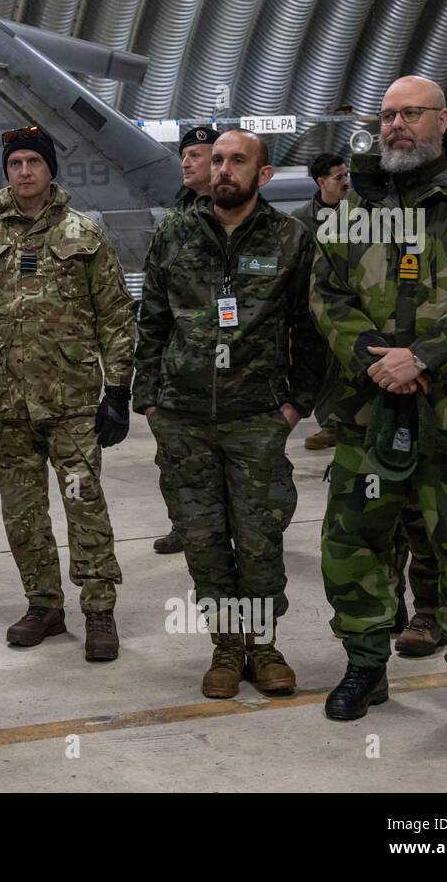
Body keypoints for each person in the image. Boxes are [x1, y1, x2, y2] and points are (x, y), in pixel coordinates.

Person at [313, 75, 447, 736]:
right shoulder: (357, 205)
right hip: (368, 412)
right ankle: (366, 666)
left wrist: (423, 357)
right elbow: (327, 294)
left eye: (410, 113)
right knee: (354, 548)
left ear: (443, 119)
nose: (396, 125)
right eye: (387, 115)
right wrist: (376, 358)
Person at [135, 127, 322, 699]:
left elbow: (309, 331)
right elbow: (151, 321)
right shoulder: (173, 234)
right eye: (217, 160)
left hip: (256, 418)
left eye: (237, 161)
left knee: (260, 539)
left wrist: (296, 405)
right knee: (204, 541)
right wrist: (148, 398)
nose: (223, 170)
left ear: (262, 176)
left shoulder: (291, 239)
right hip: (184, 417)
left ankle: (263, 647)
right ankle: (225, 646)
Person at [0, 125, 135, 662]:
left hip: (72, 403)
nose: (24, 171)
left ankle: (99, 608)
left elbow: (116, 317)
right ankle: (44, 604)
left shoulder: (84, 233)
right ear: (6, 172)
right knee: (22, 512)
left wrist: (117, 389)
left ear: (51, 169)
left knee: (84, 506)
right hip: (4, 406)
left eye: (34, 161)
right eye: (15, 163)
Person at [151, 126, 219, 557]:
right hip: (180, 362)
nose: (187, 162)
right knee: (175, 455)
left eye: (198, 154)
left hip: (233, 364)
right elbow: (155, 304)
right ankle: (184, 524)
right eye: (185, 155)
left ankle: (228, 528)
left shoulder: (242, 216)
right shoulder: (174, 222)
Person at [294, 152, 349, 452]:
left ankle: (346, 424)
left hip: (353, 306)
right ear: (321, 182)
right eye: (339, 177)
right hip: (314, 310)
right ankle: (331, 424)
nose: (345, 182)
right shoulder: (302, 220)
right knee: (321, 369)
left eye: (346, 175)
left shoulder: (360, 213)